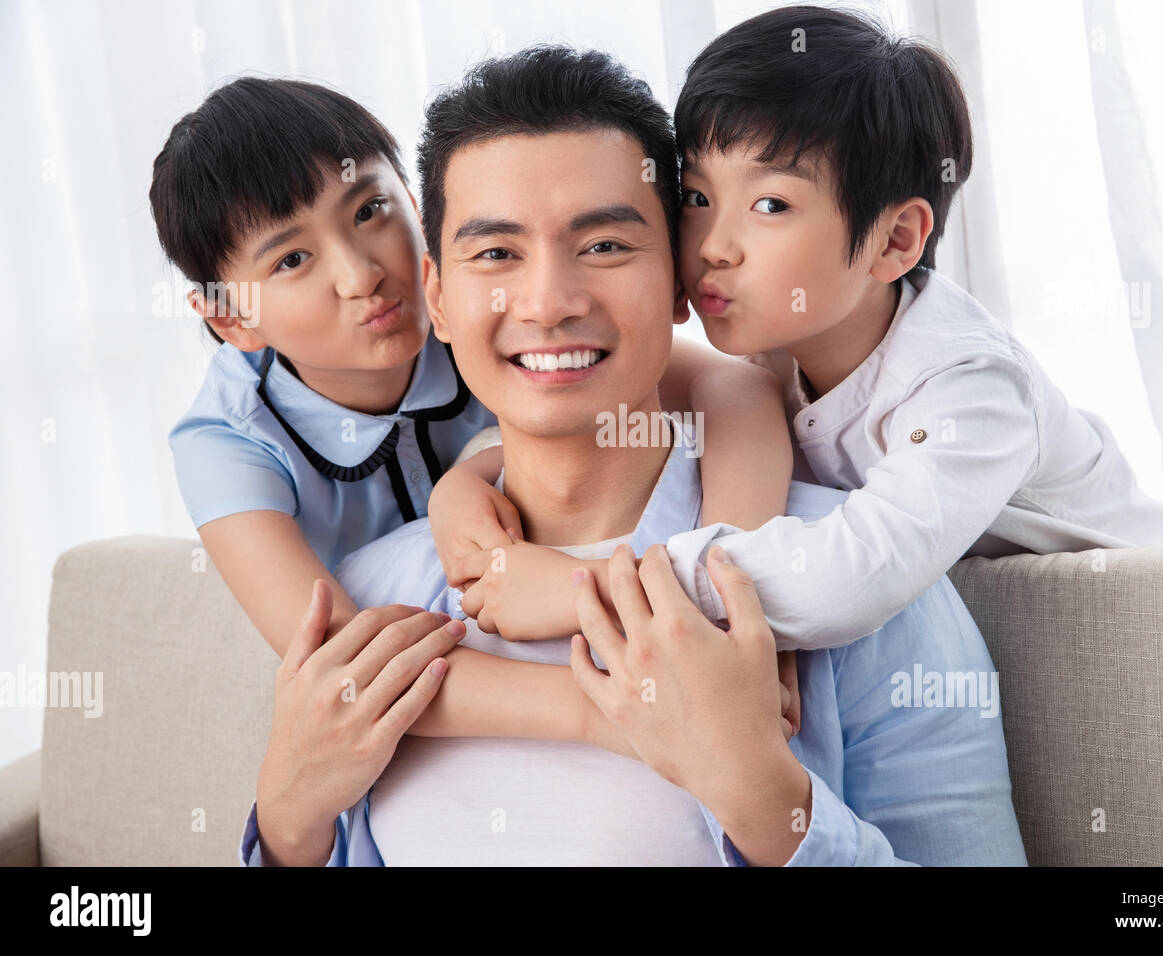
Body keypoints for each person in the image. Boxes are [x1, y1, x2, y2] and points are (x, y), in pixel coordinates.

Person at [240, 44, 1027, 867]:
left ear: (683, 283)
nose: (549, 304)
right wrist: (291, 828)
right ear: (437, 296)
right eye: (497, 254)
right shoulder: (370, 606)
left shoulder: (861, 591)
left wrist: (764, 799)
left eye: (606, 246)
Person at [434, 6, 1163, 653]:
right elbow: (585, 384)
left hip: (1137, 636)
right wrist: (466, 480)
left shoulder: (970, 390)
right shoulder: (770, 338)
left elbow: (844, 581)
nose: (713, 244)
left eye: (770, 206)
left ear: (895, 241)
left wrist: (587, 590)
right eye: (696, 196)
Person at [150, 75, 802, 744]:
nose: (362, 274)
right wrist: (630, 711)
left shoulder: (489, 304)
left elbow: (736, 390)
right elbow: (353, 672)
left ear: (411, 202)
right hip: (429, 685)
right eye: (292, 258)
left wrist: (738, 617)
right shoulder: (226, 443)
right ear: (231, 319)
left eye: (369, 211)